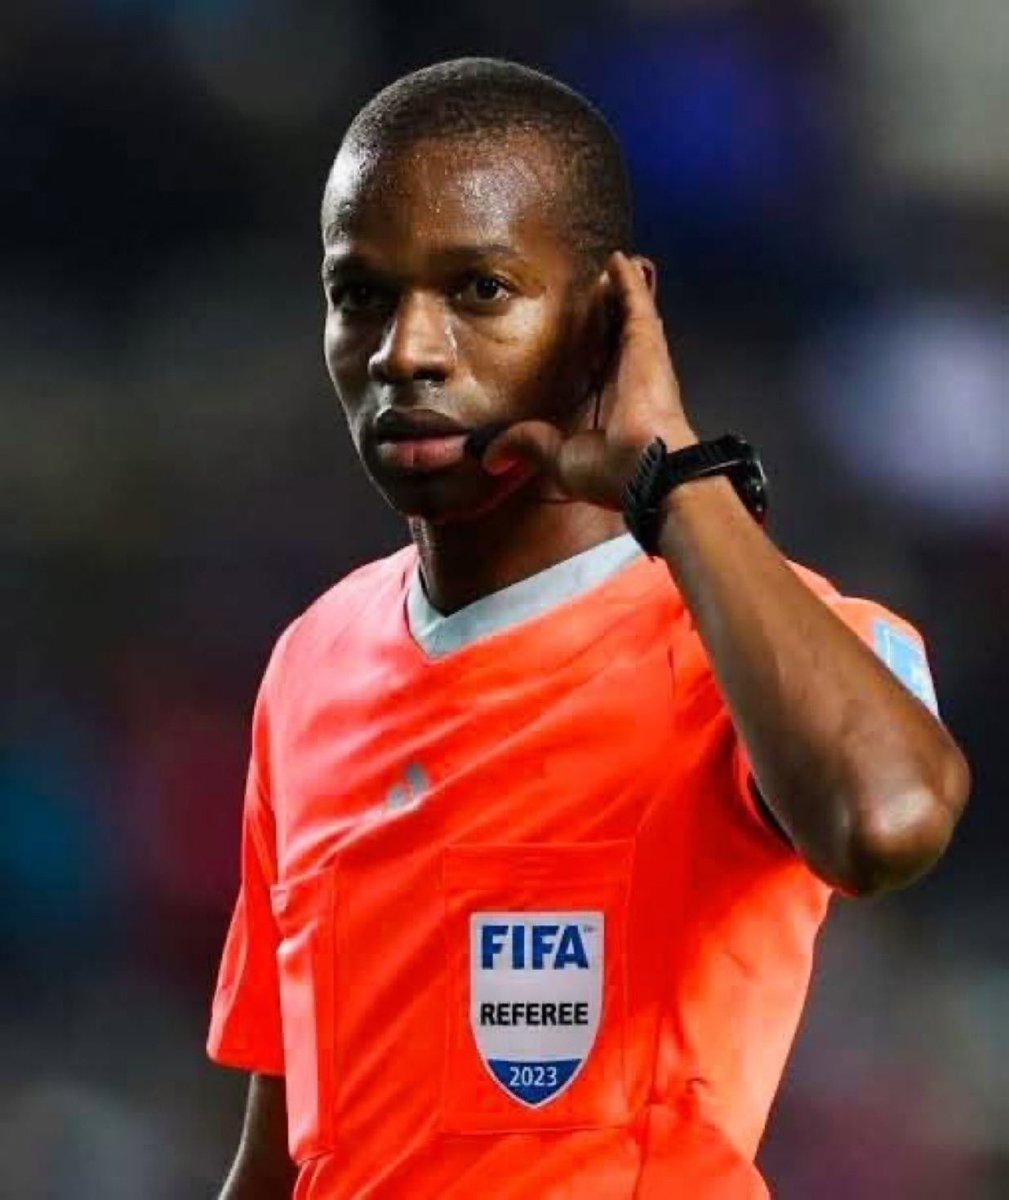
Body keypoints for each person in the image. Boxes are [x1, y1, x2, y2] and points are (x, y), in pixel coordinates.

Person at [206, 58, 970, 1199]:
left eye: (480, 290)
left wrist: (673, 476)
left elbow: (884, 822)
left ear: (614, 312)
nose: (404, 349)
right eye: (360, 294)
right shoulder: (311, 660)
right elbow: (284, 1156)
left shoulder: (761, 639)